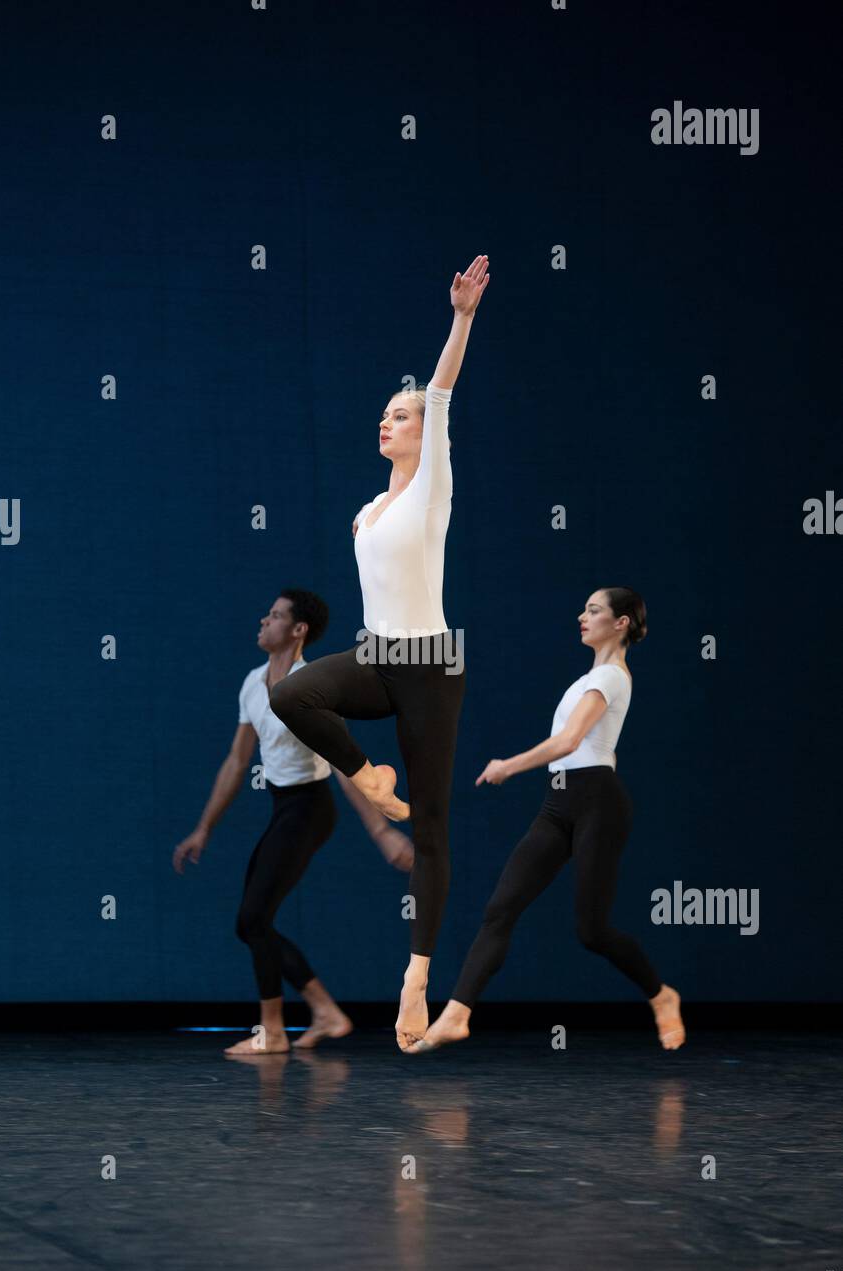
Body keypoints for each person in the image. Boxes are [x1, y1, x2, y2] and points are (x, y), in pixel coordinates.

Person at [270, 255, 490, 1050]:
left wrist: (461, 318)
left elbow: (440, 394)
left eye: (398, 416)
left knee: (431, 828)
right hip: (375, 657)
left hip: (433, 668)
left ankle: (416, 980)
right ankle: (369, 777)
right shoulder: (366, 512)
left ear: (426, 436)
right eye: (385, 416)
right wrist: (362, 772)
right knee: (291, 694)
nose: (387, 421)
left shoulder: (434, 482)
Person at [407, 587, 686, 1054]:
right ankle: (457, 1014)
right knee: (501, 908)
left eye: (593, 610)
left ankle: (662, 996)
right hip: (558, 805)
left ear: (620, 623)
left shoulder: (613, 677)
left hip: (598, 801)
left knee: (591, 931)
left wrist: (507, 766)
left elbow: (570, 741)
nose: (582, 616)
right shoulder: (592, 677)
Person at [173, 589, 414, 1054]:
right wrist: (204, 827)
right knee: (251, 923)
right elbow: (235, 762)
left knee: (254, 917)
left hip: (309, 808)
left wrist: (382, 831)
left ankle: (275, 1031)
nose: (264, 621)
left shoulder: (313, 685)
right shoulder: (252, 682)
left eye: (276, 616)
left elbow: (348, 766)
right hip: (284, 807)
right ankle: (324, 1011)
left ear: (298, 630)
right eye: (267, 614)